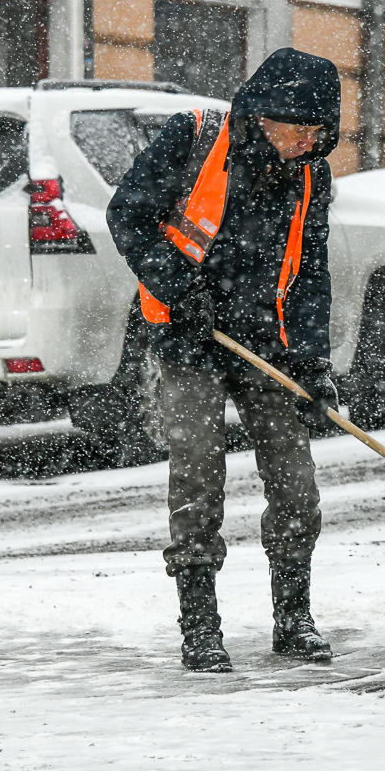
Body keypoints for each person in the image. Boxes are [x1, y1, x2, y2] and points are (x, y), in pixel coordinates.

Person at [106, 48, 341, 673]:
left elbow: (310, 274)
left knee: (296, 485)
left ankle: (293, 618)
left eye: (318, 133)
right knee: (197, 480)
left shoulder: (311, 176)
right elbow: (127, 216)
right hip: (189, 338)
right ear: (264, 113)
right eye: (296, 128)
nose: (304, 143)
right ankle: (201, 627)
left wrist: (312, 365)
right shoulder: (197, 138)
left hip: (265, 346)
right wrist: (182, 288)